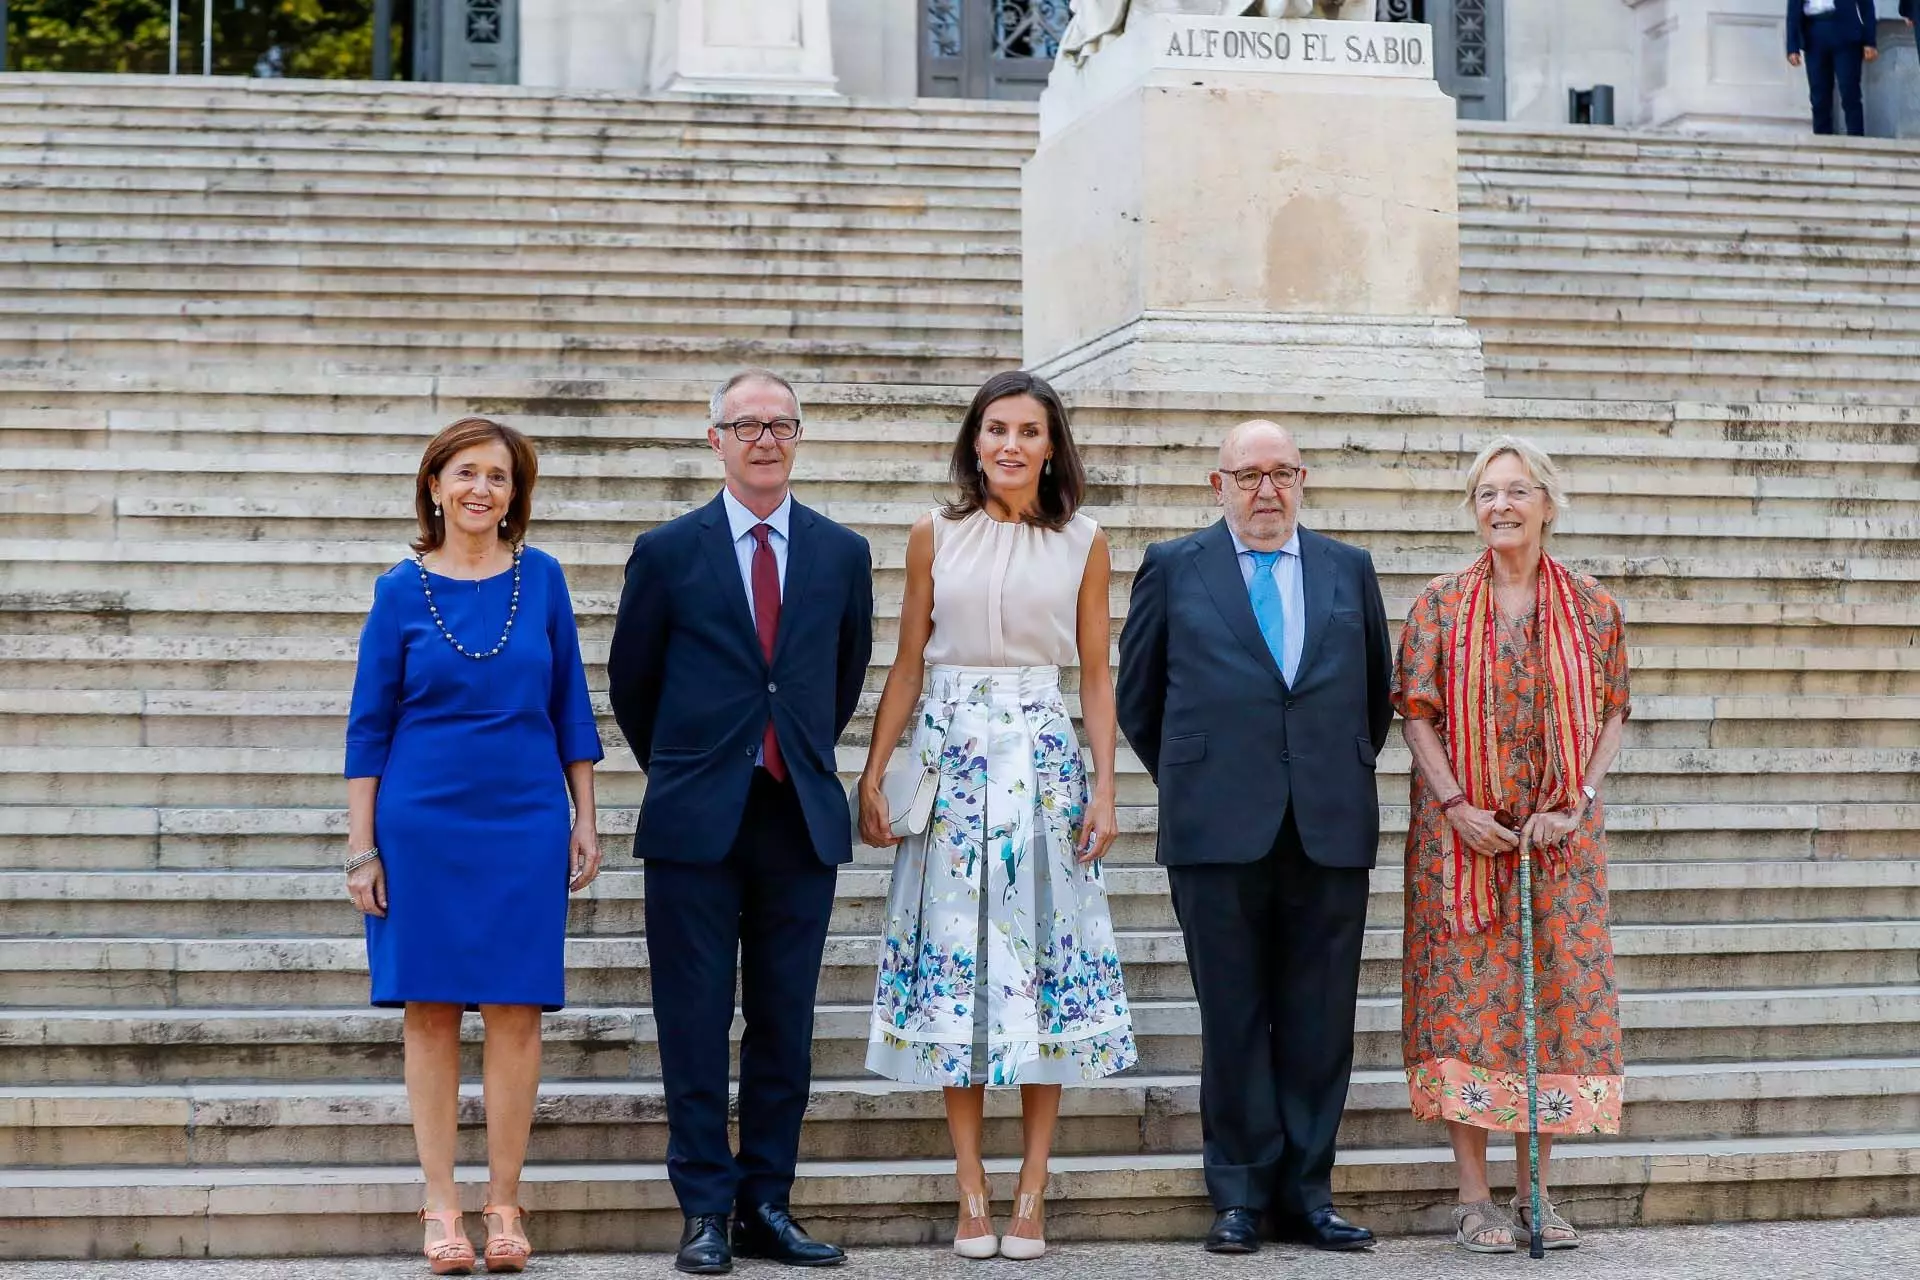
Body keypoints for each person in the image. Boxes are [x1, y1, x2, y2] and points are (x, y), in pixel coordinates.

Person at [860, 370, 1137, 1262]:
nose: (1010, 444)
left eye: (1028, 430)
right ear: (973, 442)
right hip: (949, 760)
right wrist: (874, 770)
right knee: (956, 972)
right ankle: (970, 1188)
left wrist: (1105, 783)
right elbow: (906, 662)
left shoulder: (1084, 541)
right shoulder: (932, 535)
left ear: (1051, 445)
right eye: (995, 429)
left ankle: (1031, 1190)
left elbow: (1097, 673)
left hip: (1042, 756)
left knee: (1043, 969)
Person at [608, 369, 874, 1275]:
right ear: (713, 438)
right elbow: (633, 684)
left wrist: (784, 753)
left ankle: (768, 1199)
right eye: (747, 425)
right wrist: (695, 766)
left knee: (784, 1019)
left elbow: (841, 677)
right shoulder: (668, 550)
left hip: (796, 813)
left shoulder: (842, 552)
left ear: (799, 437)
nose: (766, 439)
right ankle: (706, 1211)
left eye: (782, 424)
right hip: (695, 816)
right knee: (691, 1016)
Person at [1117, 420, 1391, 1256]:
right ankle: (1237, 1191)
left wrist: (1312, 773)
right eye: (1248, 476)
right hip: (1215, 826)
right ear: (1218, 484)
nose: (1265, 491)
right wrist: (1206, 779)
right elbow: (1139, 700)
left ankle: (1307, 1193)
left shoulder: (1349, 568)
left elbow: (1374, 696)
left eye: (1282, 474)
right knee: (1232, 1015)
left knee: (1319, 1019)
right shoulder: (1173, 566)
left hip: (1327, 823)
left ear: (1302, 479)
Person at [345, 416, 604, 1276]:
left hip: (525, 816)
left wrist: (586, 815)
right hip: (421, 822)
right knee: (427, 1010)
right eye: (465, 473)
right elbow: (367, 727)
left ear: (514, 494)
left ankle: (503, 1203)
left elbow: (571, 707)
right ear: (434, 486)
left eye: (497, 477)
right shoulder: (397, 590)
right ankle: (441, 1205)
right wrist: (362, 847)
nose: (480, 490)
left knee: (516, 1009)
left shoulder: (545, 579)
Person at [1393, 436, 1630, 1254]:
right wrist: (1456, 804)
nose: (1501, 506)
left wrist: (1579, 802)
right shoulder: (1438, 604)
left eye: (1517, 491)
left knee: (1553, 999)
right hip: (1462, 839)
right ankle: (1473, 1197)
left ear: (1547, 504)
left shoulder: (1594, 605)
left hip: (1559, 838)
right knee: (1466, 1003)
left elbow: (1613, 713)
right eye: (1487, 493)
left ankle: (1538, 1194)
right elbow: (1414, 711)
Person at [1788, 0, 1879, 137]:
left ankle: (1856, 139)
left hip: (1845, 34)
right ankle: (1822, 141)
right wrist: (1792, 46)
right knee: (1818, 96)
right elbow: (1793, 9)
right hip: (1814, 33)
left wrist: (1869, 41)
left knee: (1850, 92)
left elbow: (1866, 6)